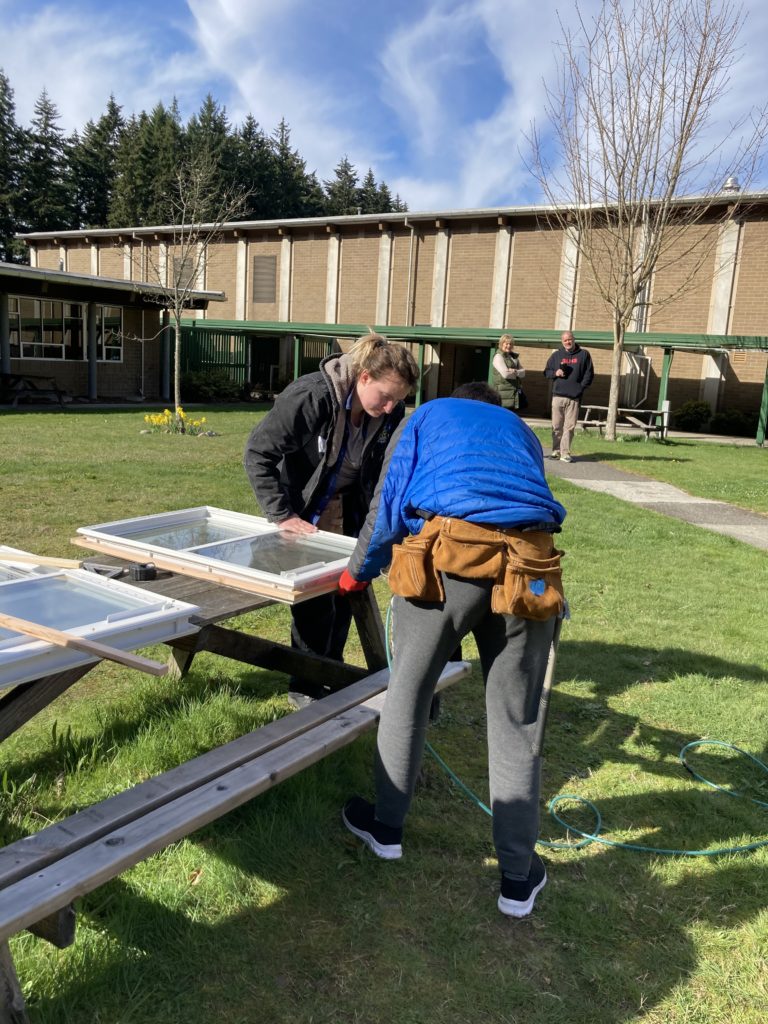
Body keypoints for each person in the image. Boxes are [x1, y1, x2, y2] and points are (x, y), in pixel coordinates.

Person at [337, 381, 567, 918]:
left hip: (444, 561)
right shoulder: (520, 430)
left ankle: (386, 831)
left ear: (457, 400)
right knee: (515, 719)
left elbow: (389, 498)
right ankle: (517, 879)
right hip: (528, 568)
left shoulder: (427, 415)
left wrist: (357, 572)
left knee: (408, 693)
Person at [243, 333, 420, 706]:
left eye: (398, 400)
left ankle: (332, 670)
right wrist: (283, 514)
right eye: (385, 396)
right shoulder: (311, 397)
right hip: (305, 511)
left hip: (350, 509)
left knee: (345, 593)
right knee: (313, 600)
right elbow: (258, 453)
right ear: (364, 377)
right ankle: (305, 683)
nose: (391, 407)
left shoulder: (390, 412)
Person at [543, 330, 594, 462]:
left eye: (569, 339)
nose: (567, 342)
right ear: (562, 342)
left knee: (569, 426)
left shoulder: (584, 354)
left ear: (574, 339)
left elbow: (589, 374)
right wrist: (556, 373)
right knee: (556, 425)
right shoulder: (556, 355)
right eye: (565, 340)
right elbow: (546, 372)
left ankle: (565, 453)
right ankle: (556, 451)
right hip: (558, 396)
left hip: (574, 397)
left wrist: (580, 388)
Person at [491, 334, 526, 411]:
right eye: (506, 343)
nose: (509, 346)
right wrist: (518, 373)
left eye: (510, 344)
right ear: (501, 344)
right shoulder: (498, 356)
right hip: (502, 395)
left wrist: (515, 371)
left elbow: (523, 373)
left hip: (513, 394)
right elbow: (506, 374)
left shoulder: (513, 357)